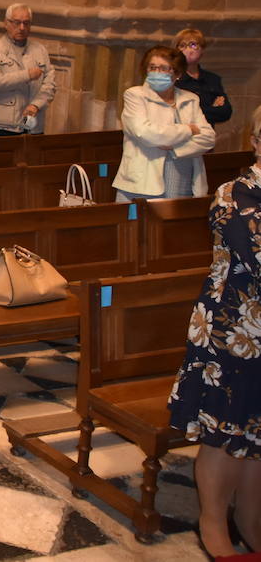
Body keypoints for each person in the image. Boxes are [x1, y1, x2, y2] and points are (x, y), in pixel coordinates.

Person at [167, 107, 261, 559]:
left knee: (255, 429)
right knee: (224, 429)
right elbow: (255, 259)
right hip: (233, 330)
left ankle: (250, 519)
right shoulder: (234, 195)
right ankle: (213, 521)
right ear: (257, 141)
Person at [112, 46, 215, 201]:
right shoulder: (135, 96)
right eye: (152, 67)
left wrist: (173, 146)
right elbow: (146, 133)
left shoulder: (190, 99)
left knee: (178, 223)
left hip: (184, 176)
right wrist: (187, 131)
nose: (157, 73)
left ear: (178, 74)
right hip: (143, 180)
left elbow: (208, 138)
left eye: (164, 68)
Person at [0, 3, 57, 135]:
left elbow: (50, 84)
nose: (22, 28)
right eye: (17, 23)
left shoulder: (40, 50)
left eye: (26, 23)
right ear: (6, 23)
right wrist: (26, 75)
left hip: (33, 124)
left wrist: (36, 105)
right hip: (3, 125)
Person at [175, 28, 232, 128]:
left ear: (202, 50)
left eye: (193, 45)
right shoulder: (173, 79)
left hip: (207, 136)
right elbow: (175, 113)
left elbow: (225, 112)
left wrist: (193, 111)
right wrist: (211, 108)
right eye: (182, 45)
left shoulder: (212, 79)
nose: (188, 50)